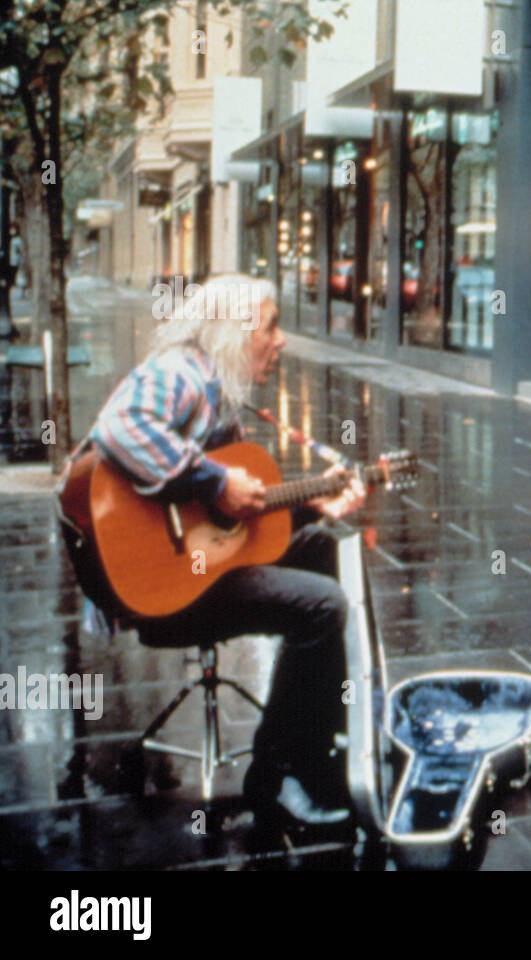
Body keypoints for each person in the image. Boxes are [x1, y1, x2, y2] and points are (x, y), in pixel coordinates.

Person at [55, 274, 368, 824]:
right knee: (323, 605)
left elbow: (237, 523)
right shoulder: (185, 372)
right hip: (154, 583)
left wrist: (318, 502)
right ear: (232, 331)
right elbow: (120, 426)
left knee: (319, 545)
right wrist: (214, 481)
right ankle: (277, 775)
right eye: (271, 326)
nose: (282, 339)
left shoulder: (220, 396)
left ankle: (316, 731)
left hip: (193, 567)